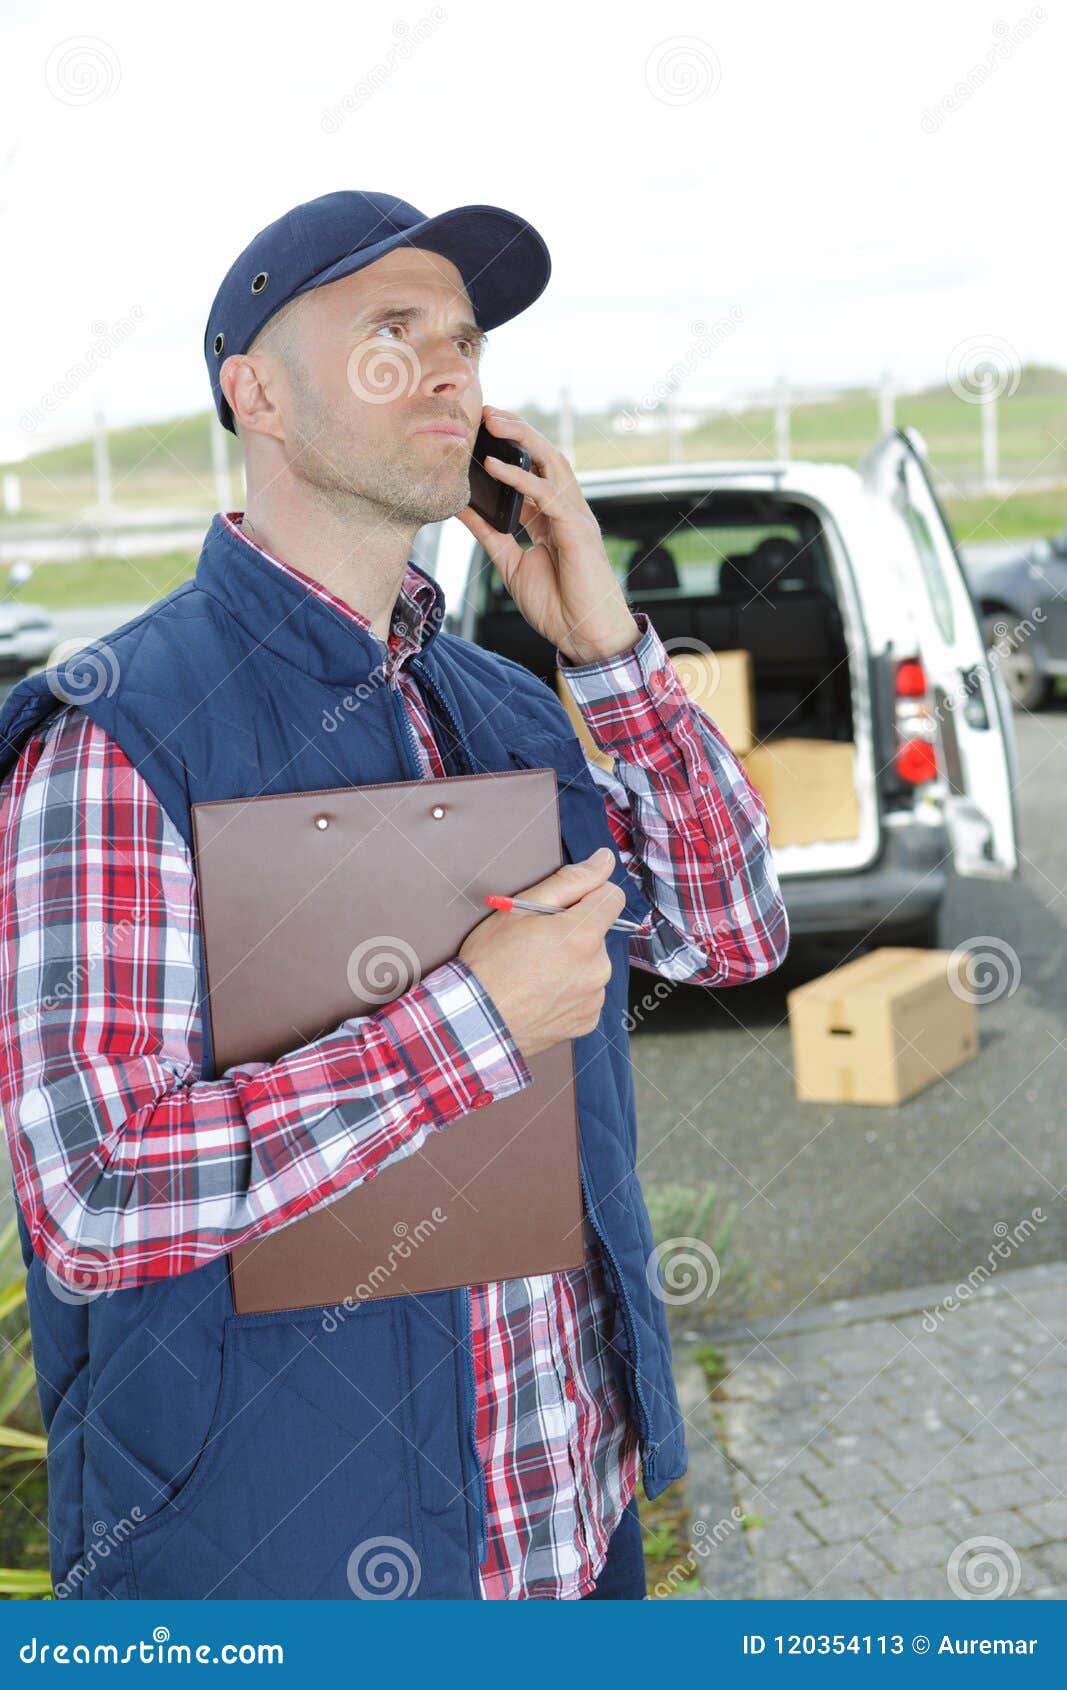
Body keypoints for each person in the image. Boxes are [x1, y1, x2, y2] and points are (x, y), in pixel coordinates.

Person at [0, 190, 789, 1601]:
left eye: (466, 341)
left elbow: (729, 930)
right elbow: (95, 1191)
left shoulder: (510, 709)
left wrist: (607, 648)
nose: (451, 369)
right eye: (392, 333)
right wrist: (474, 1019)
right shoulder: (119, 736)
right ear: (259, 395)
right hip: (286, 1559)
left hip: (565, 1531)